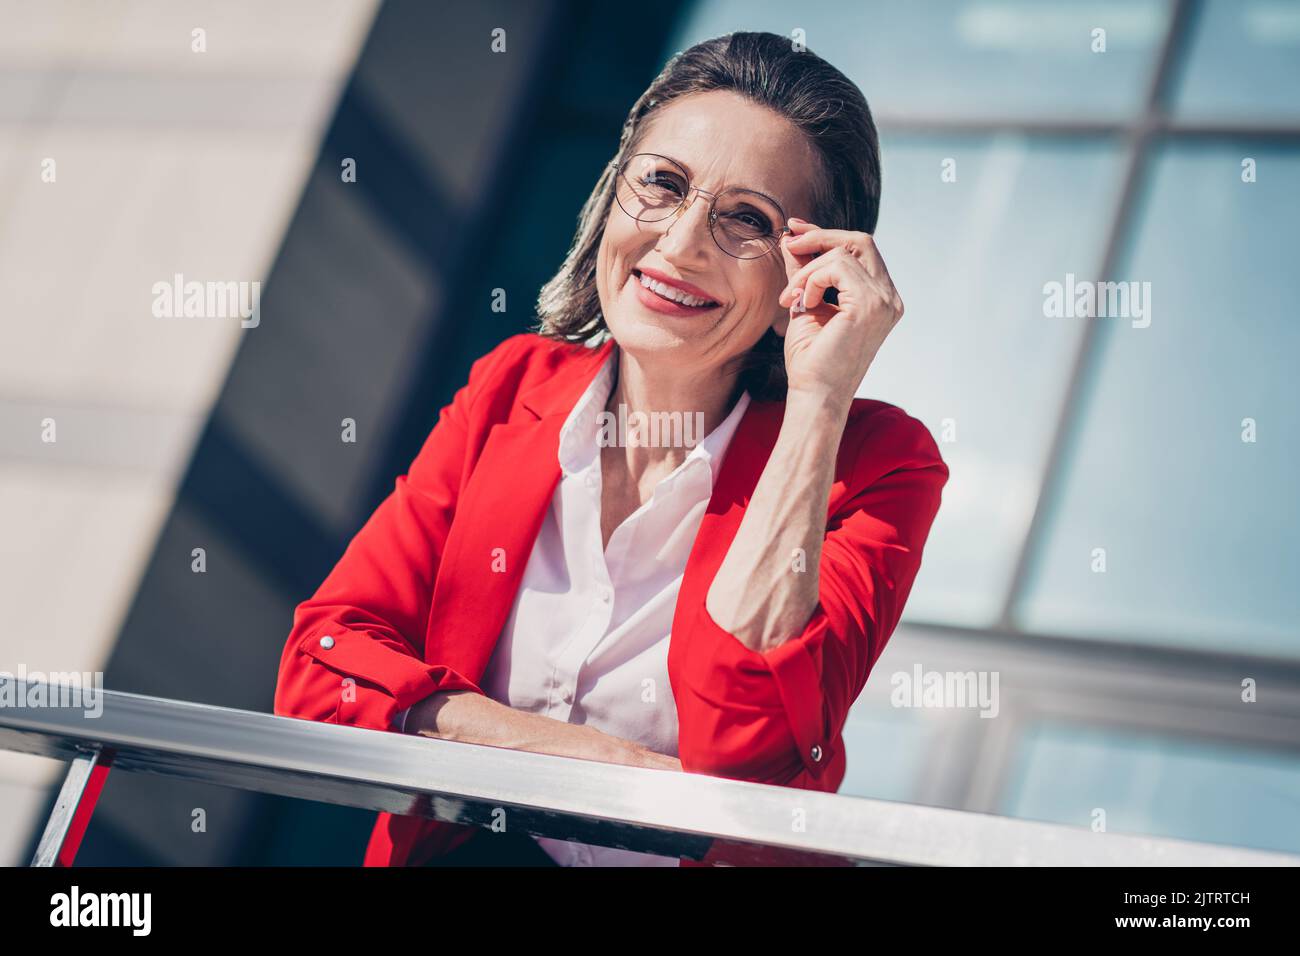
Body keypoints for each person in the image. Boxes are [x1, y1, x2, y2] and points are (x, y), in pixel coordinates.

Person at [274, 31, 949, 867]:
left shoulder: (881, 464)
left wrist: (818, 400)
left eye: (748, 219)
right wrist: (599, 765)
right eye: (662, 184)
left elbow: (746, 748)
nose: (682, 243)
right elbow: (322, 665)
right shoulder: (512, 386)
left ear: (806, 272)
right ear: (611, 194)